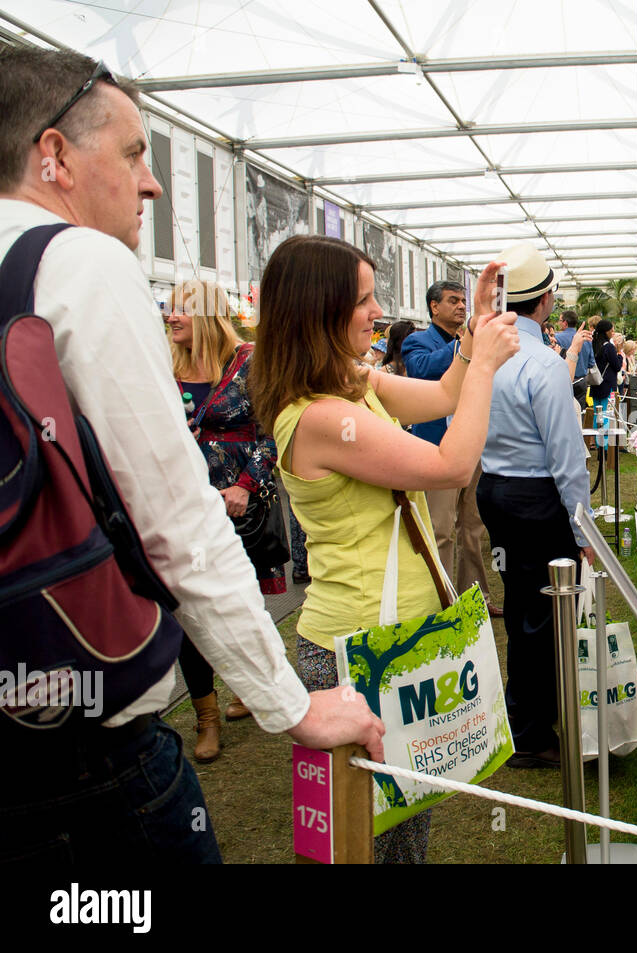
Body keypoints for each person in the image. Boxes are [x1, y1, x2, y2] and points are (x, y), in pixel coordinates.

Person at [0, 47, 382, 863]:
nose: (154, 183)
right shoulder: (75, 262)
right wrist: (292, 704)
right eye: (135, 152)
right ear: (54, 156)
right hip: (77, 751)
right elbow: (175, 518)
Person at [250, 236, 518, 862]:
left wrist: (473, 337)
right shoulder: (318, 416)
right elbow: (452, 464)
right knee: (375, 844)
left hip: (392, 640)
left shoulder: (352, 382)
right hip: (358, 650)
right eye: (364, 300)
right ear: (320, 310)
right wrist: (484, 368)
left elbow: (445, 396)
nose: (378, 313)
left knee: (402, 832)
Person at [476, 243, 596, 770]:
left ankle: (522, 714)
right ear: (545, 302)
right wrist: (582, 525)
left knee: (525, 608)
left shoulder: (487, 350)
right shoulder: (543, 362)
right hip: (535, 496)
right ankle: (529, 731)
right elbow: (565, 453)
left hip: (495, 489)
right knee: (542, 616)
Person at [168, 279, 284, 762]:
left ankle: (247, 689)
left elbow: (272, 429)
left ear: (207, 315)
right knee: (185, 608)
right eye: (167, 308)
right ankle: (206, 718)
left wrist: (245, 486)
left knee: (239, 600)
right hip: (182, 504)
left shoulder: (249, 362)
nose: (170, 316)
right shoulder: (165, 369)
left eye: (180, 309)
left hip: (240, 504)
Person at [403, 280, 502, 616]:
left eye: (464, 301)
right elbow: (421, 370)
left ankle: (477, 599)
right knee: (441, 530)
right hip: (436, 450)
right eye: (453, 301)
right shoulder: (417, 342)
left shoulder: (474, 341)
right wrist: (465, 346)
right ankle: (444, 605)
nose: (461, 307)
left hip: (473, 447)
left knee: (473, 529)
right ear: (434, 307)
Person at [589, 319, 624, 471]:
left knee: (598, 416)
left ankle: (598, 445)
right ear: (606, 331)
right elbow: (616, 366)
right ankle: (604, 448)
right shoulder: (609, 347)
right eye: (612, 329)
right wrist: (619, 353)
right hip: (607, 385)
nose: (613, 331)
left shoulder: (594, 344)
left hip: (596, 384)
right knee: (606, 416)